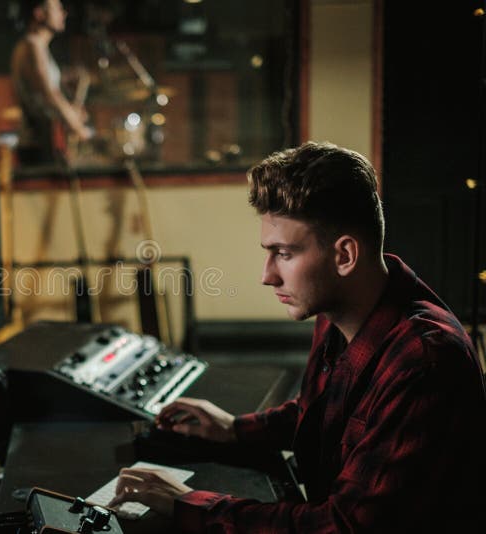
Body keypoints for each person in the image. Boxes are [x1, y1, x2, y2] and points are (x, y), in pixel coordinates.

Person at [108, 141, 486, 532]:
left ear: (345, 256)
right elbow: (330, 412)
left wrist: (191, 506)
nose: (267, 275)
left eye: (283, 254)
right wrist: (233, 429)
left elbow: (343, 526)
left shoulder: (425, 363)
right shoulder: (338, 309)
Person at [10, 0, 92, 166]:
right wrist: (77, 125)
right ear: (40, 13)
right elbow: (49, 93)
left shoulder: (38, 46)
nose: (63, 13)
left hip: (46, 138)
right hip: (39, 141)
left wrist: (71, 108)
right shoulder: (33, 46)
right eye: (58, 8)